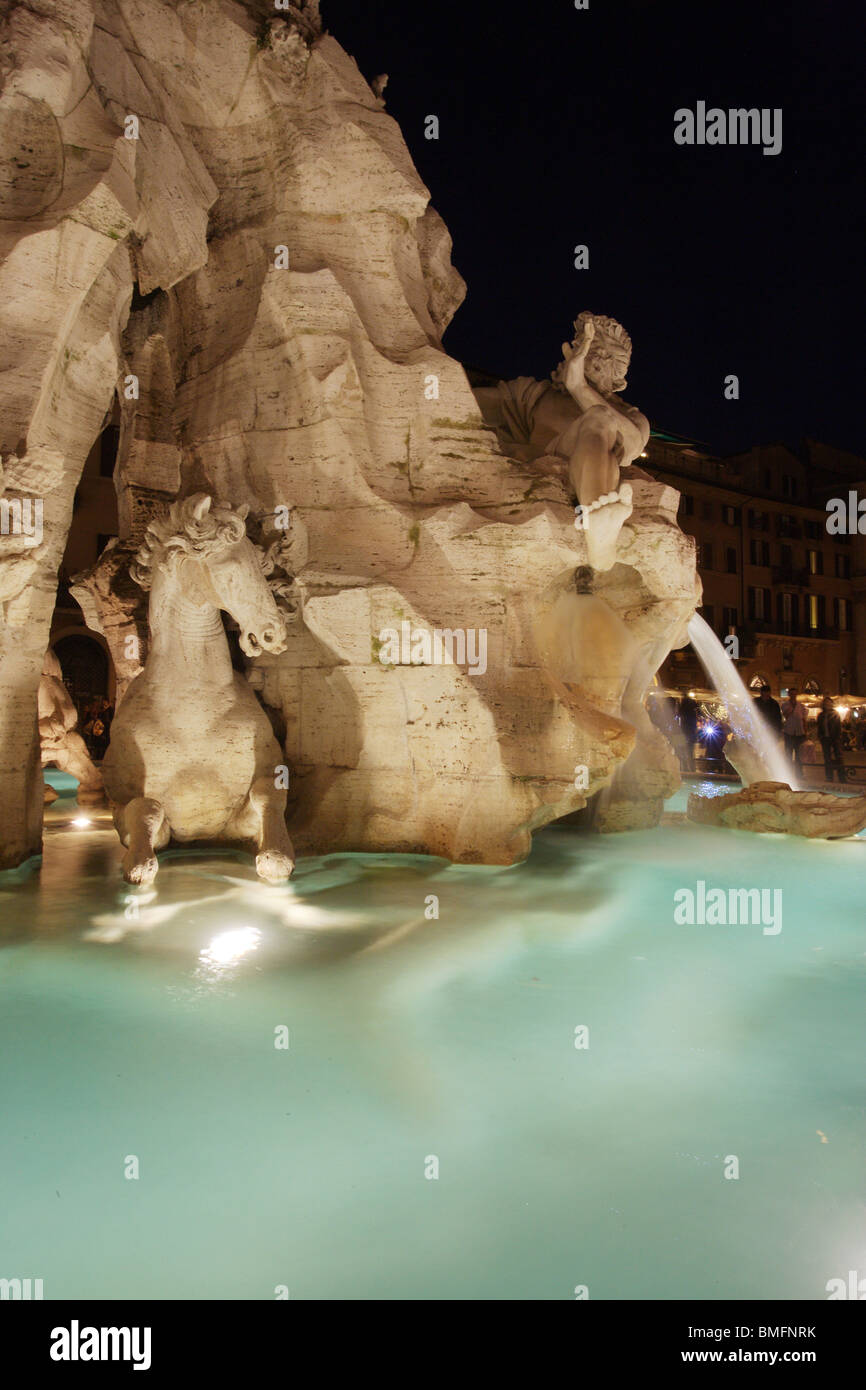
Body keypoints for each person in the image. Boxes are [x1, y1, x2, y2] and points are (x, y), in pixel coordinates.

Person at [816, 697, 845, 784]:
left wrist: (838, 738)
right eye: (825, 703)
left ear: (831, 704)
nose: (827, 705)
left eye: (829, 703)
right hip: (825, 739)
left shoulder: (835, 714)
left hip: (835, 739)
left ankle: (842, 777)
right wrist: (821, 737)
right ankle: (829, 777)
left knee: (839, 757)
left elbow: (838, 727)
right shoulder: (821, 715)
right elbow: (819, 727)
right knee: (827, 758)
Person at [781, 688, 807, 768]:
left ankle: (799, 773)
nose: (793, 696)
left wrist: (805, 731)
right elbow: (786, 715)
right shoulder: (785, 705)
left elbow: (803, 719)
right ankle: (789, 772)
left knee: (799, 755)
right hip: (789, 733)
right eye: (791, 694)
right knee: (788, 754)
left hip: (799, 733)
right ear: (789, 695)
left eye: (794, 694)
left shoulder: (801, 706)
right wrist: (792, 707)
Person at [678, 694, 699, 772]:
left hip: (684, 732)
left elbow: (679, 714)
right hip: (690, 733)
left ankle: (684, 768)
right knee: (690, 752)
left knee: (683, 751)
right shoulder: (692, 712)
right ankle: (691, 769)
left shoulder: (683, 710)